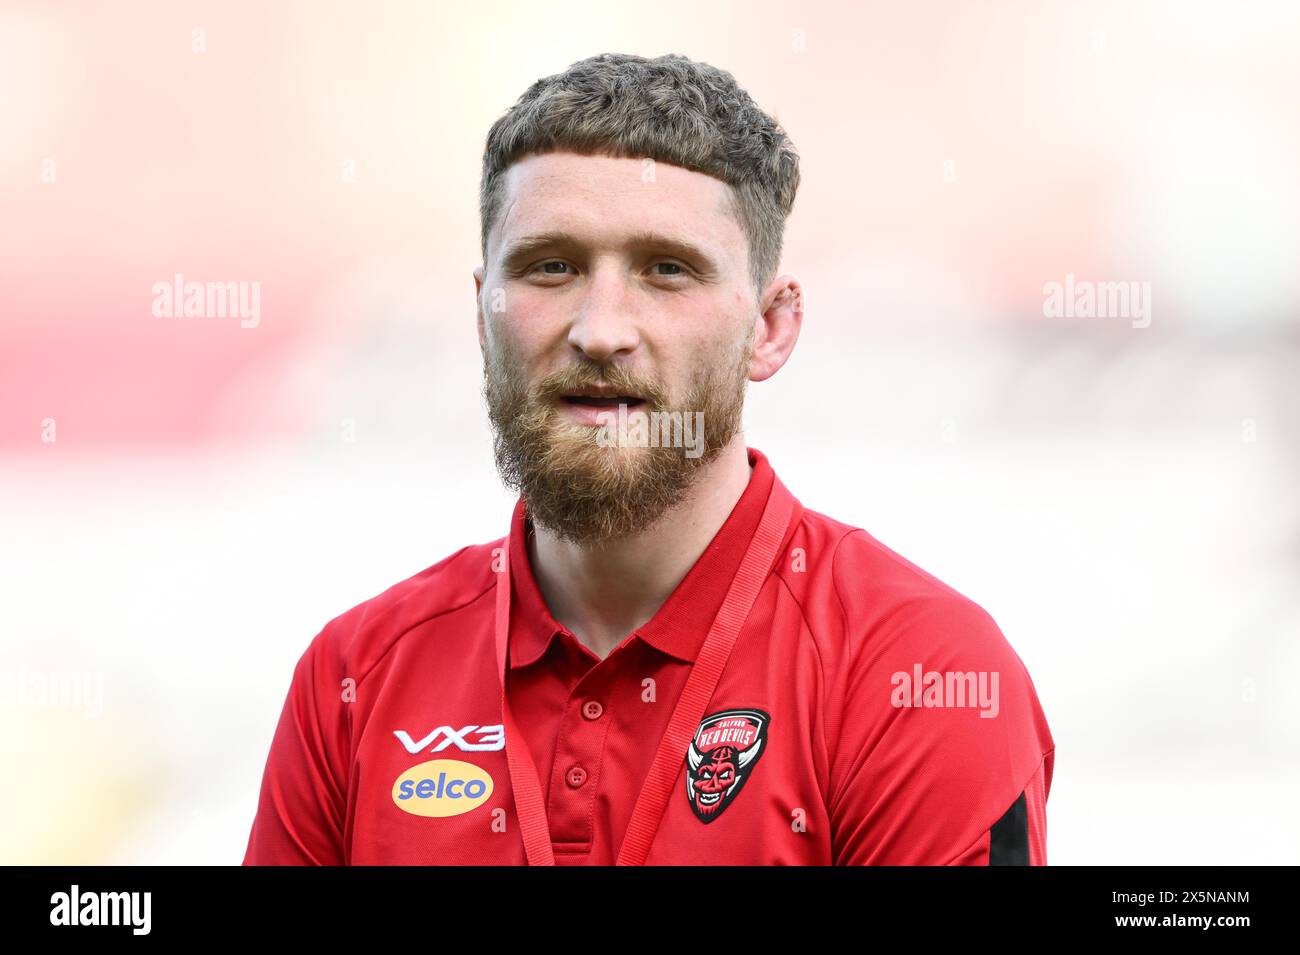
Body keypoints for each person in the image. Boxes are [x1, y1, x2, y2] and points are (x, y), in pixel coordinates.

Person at [242, 52, 1054, 865]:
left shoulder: (919, 672)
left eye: (667, 271)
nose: (600, 329)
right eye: (551, 266)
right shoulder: (355, 678)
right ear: (482, 310)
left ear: (769, 329)